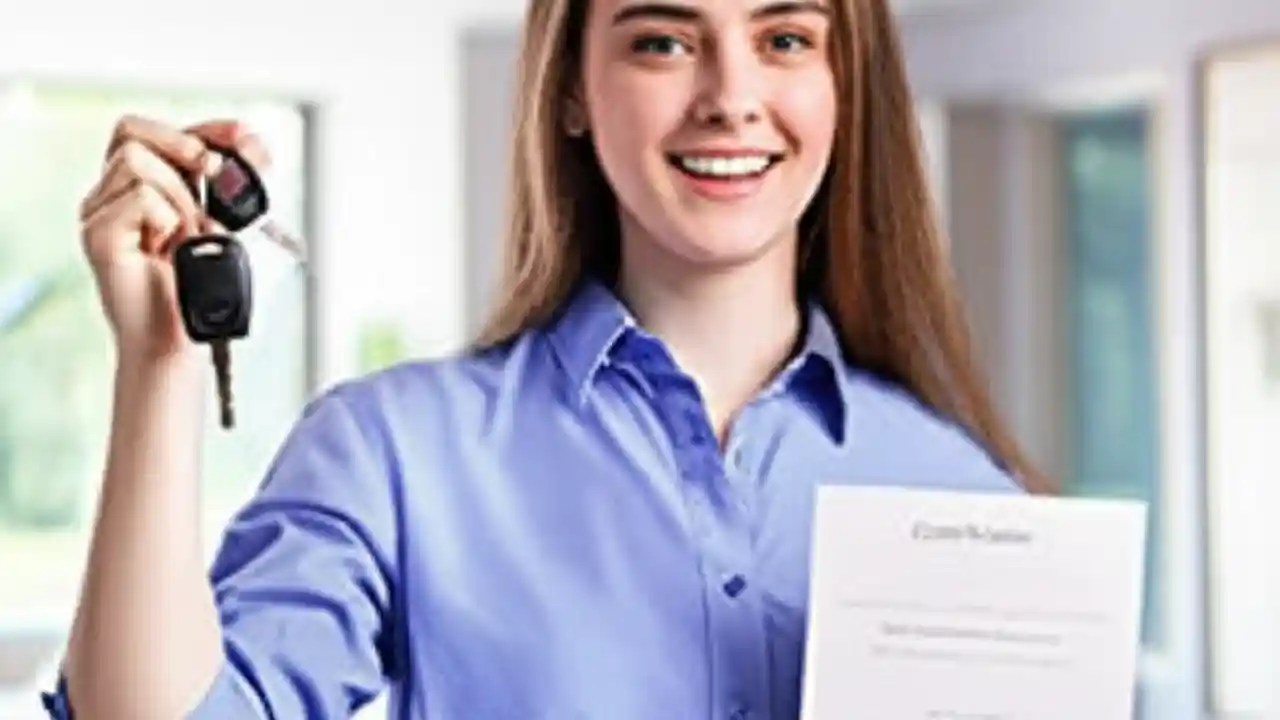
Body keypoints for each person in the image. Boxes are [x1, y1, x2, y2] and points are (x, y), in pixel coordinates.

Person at [46, 0, 1052, 717]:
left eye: (783, 38)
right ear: (570, 88)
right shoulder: (397, 455)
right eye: (662, 40)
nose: (730, 97)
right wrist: (159, 364)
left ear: (843, 86)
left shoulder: (969, 502)